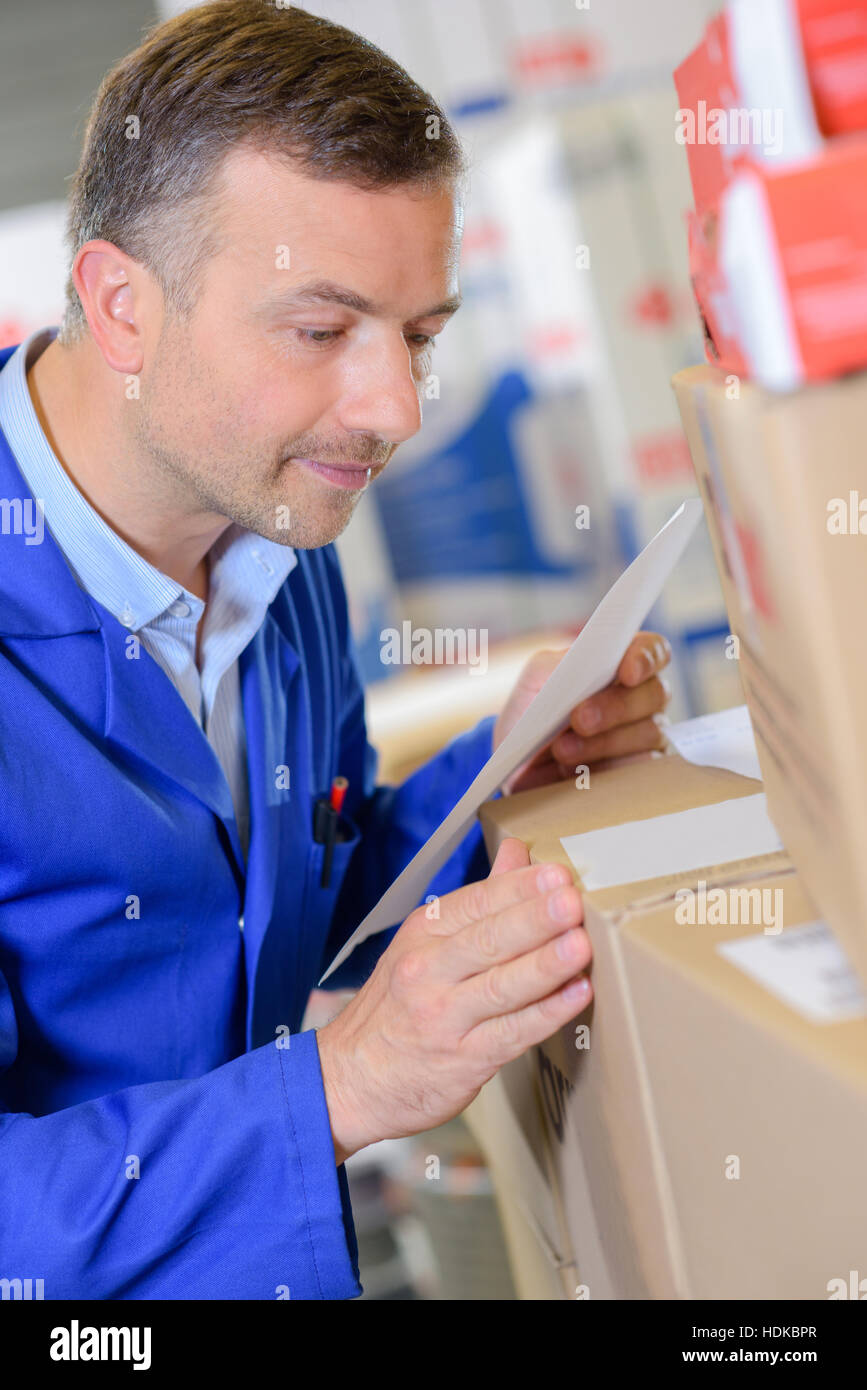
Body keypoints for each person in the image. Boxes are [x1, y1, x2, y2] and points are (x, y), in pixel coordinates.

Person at [0, 0, 672, 1299]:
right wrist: (339, 1089)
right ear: (123, 307)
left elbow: (285, 909)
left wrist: (497, 780)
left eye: (419, 335)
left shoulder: (275, 534)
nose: (396, 411)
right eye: (322, 331)